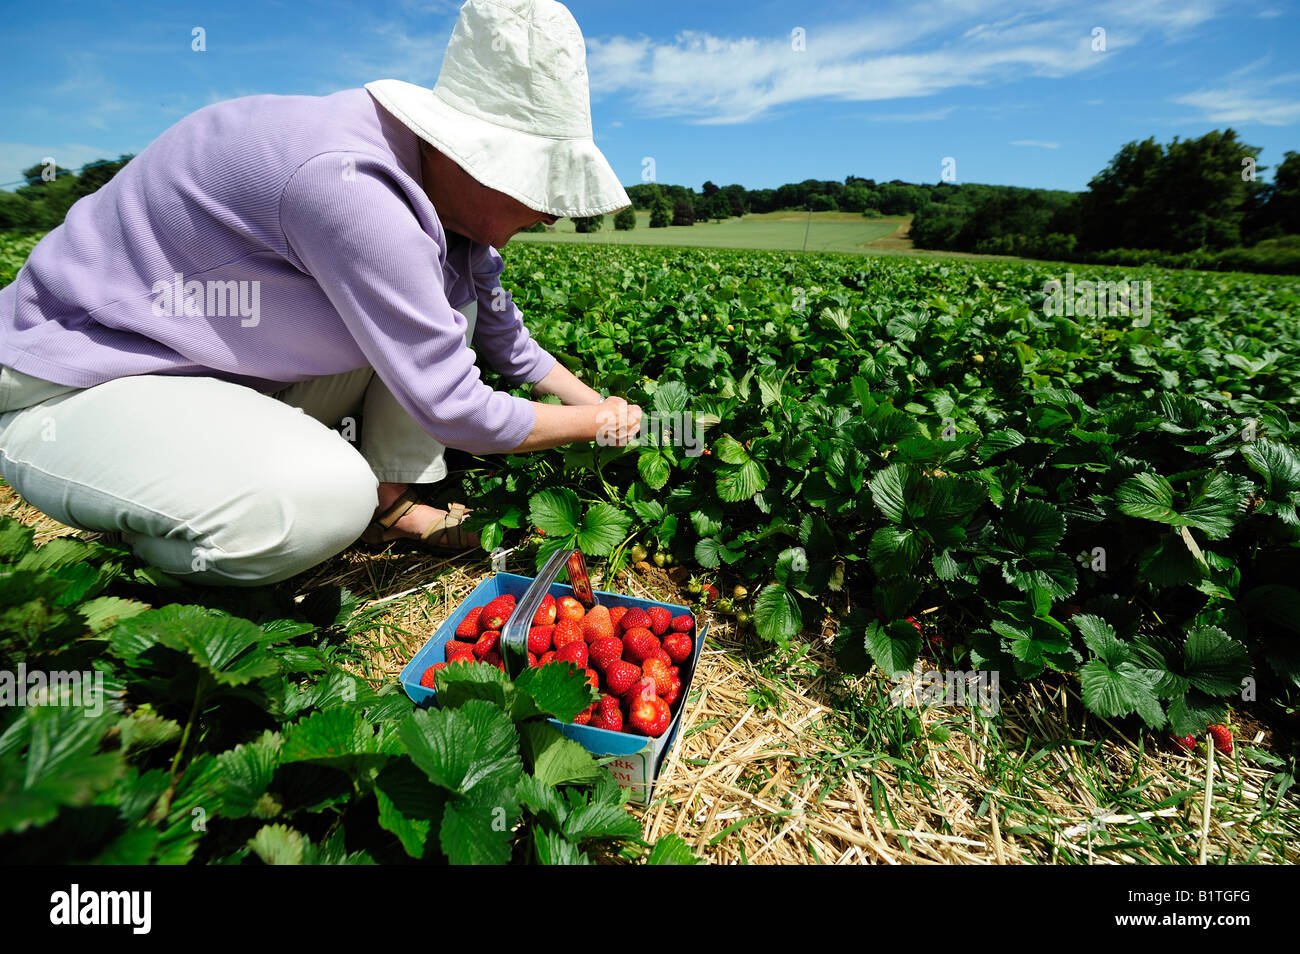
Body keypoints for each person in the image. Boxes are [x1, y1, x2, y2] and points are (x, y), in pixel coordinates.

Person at [0, 0, 642, 586]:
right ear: (475, 158)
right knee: (320, 501)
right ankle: (158, 546)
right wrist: (600, 424)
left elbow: (509, 344)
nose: (554, 212)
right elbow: (454, 409)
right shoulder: (349, 184)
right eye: (542, 187)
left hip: (208, 371)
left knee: (452, 306)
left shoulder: (453, 216)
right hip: (72, 383)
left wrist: (605, 404)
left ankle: (392, 507)